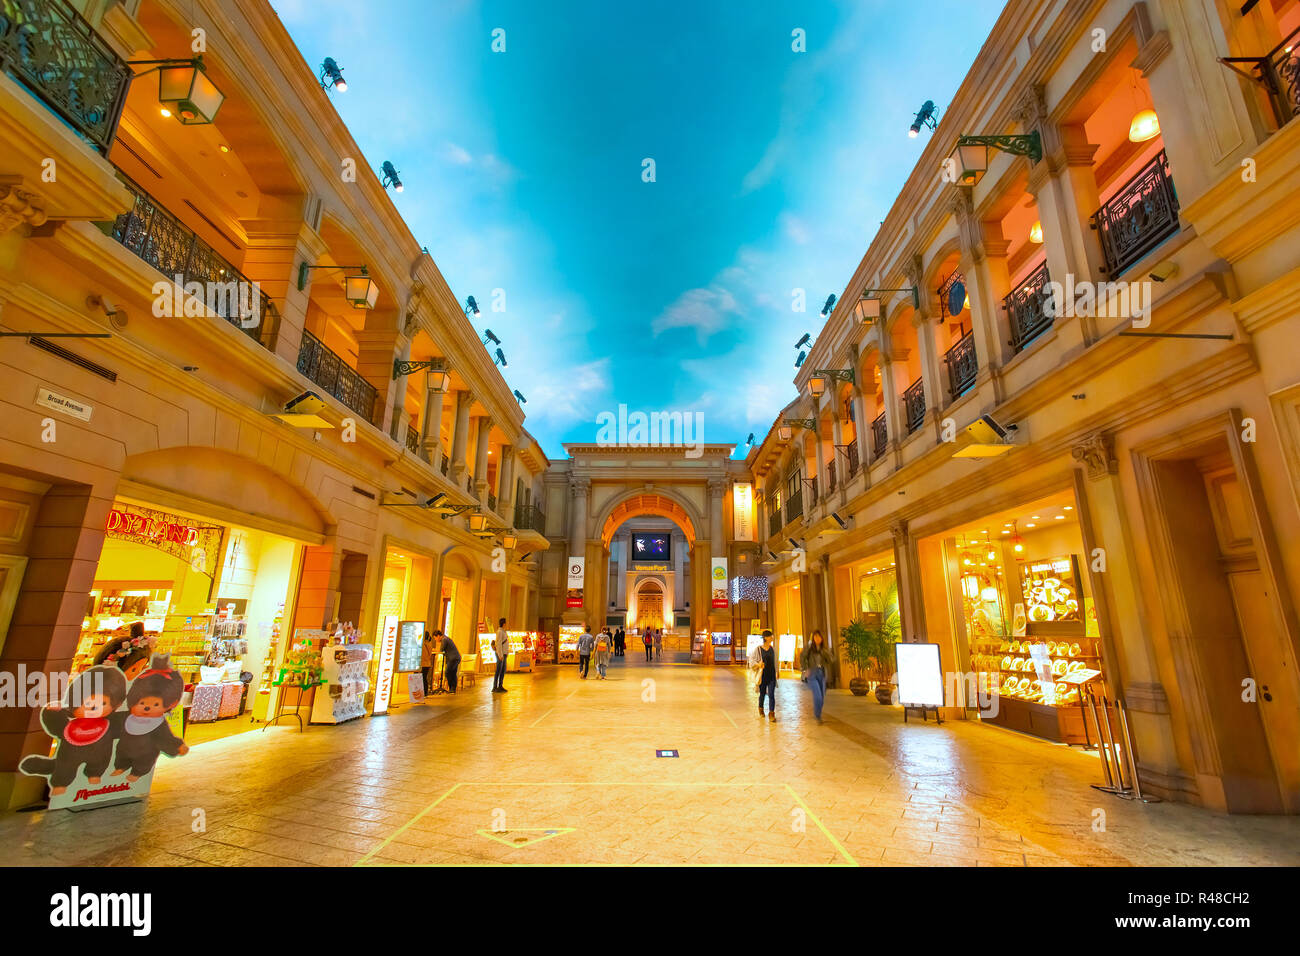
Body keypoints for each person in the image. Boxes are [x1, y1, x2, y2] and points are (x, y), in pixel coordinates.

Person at [801, 629, 832, 723]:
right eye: (815, 636)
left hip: (822, 673)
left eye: (819, 636)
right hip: (812, 673)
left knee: (822, 697)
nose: (817, 638)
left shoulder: (824, 649)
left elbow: (831, 659)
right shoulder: (809, 648)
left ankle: (818, 714)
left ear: (822, 638)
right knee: (817, 695)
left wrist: (825, 653)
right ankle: (817, 716)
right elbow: (802, 657)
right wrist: (806, 669)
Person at [756, 629, 777, 722]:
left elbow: (775, 661)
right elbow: (752, 661)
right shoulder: (758, 649)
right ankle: (761, 709)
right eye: (770, 636)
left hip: (771, 675)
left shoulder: (773, 649)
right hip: (763, 675)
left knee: (771, 694)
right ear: (765, 638)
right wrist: (758, 664)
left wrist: (777, 671)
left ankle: (771, 713)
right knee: (762, 694)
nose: (772, 637)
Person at [492, 618, 509, 693]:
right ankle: (495, 687)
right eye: (505, 623)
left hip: (504, 654)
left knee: (503, 670)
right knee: (498, 670)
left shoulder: (503, 632)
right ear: (504, 624)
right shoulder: (499, 632)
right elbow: (498, 644)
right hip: (501, 654)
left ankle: (500, 686)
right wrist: (500, 654)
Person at [421, 630, 436, 694]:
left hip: (421, 664)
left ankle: (421, 693)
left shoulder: (422, 645)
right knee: (424, 678)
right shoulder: (429, 645)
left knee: (420, 678)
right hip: (427, 664)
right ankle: (425, 693)